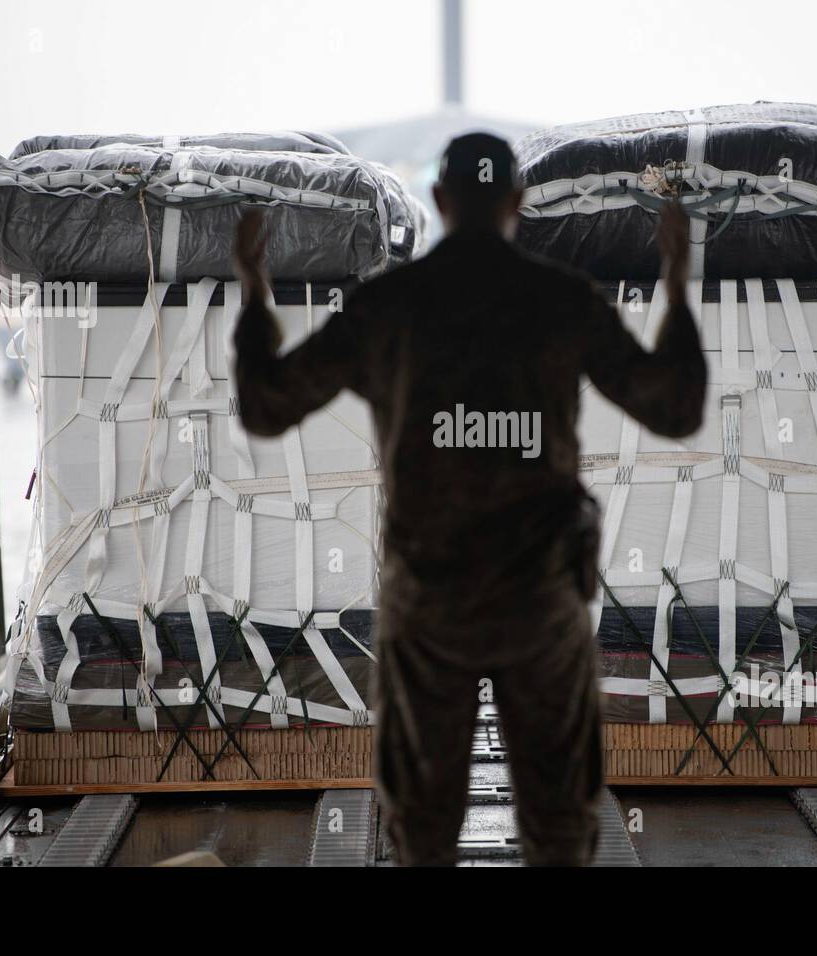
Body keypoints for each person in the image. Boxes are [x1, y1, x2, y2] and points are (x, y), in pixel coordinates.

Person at [232, 132, 707, 865]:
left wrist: (254, 294)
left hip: (430, 606)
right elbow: (675, 407)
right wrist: (676, 280)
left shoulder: (387, 307)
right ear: (516, 203)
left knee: (422, 832)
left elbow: (266, 406)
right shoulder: (563, 300)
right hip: (541, 603)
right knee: (557, 826)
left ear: (442, 201)